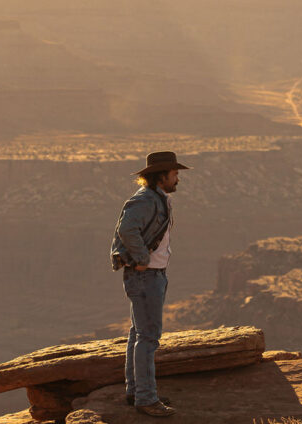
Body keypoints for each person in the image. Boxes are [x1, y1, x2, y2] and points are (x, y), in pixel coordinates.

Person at [110, 151, 190, 417]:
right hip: (145, 277)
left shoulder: (159, 198)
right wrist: (142, 258)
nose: (177, 178)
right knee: (148, 337)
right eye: (174, 174)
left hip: (152, 276)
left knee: (138, 334)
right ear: (161, 176)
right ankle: (146, 398)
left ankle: (137, 392)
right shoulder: (145, 200)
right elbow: (126, 229)